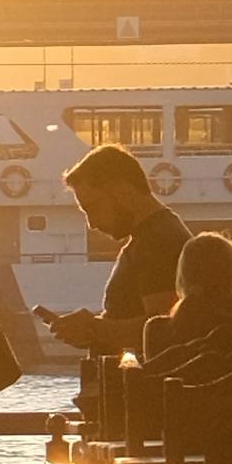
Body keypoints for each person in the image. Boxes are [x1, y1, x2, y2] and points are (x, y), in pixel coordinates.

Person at [52, 140, 191, 384]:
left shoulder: (158, 242)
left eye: (92, 207)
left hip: (144, 398)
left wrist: (93, 328)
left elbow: (162, 330)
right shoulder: (153, 236)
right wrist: (93, 327)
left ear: (122, 191)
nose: (91, 224)